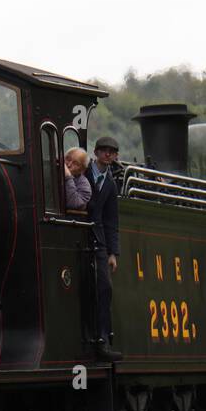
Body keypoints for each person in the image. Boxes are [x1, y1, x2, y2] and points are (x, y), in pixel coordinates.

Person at [86, 136, 122, 361]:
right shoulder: (82, 170)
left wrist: (113, 253)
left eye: (112, 151)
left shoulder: (111, 184)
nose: (108, 154)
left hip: (98, 238)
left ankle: (103, 340)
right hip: (76, 231)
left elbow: (112, 220)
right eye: (105, 150)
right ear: (96, 152)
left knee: (105, 287)